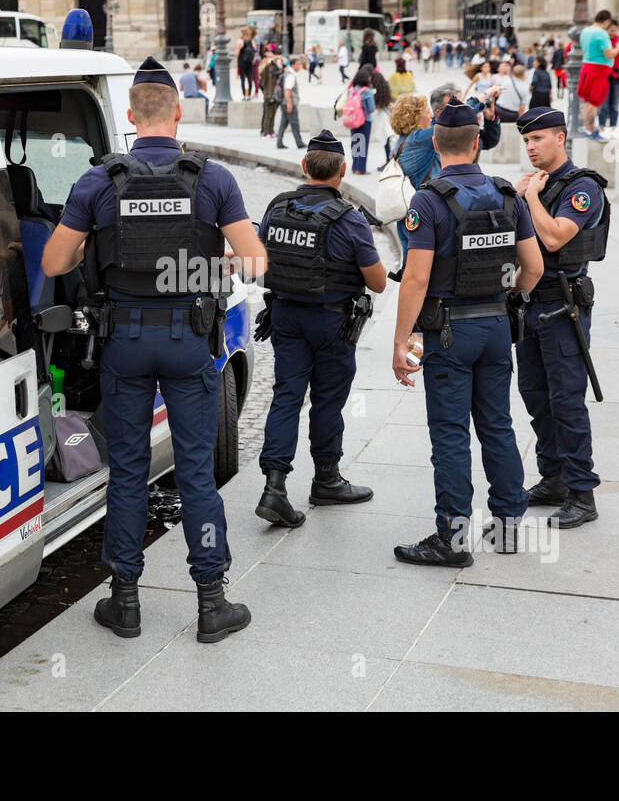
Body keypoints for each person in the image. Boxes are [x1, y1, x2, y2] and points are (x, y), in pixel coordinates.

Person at [40, 57, 266, 643]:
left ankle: (125, 602)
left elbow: (53, 263)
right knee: (194, 472)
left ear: (129, 117)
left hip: (125, 343)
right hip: (190, 341)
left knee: (129, 472)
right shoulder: (211, 178)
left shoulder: (99, 181)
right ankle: (212, 602)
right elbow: (252, 259)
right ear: (178, 112)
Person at [390, 99, 544, 565]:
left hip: (450, 333)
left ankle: (453, 539)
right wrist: (503, 296)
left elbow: (415, 279)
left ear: (435, 144)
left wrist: (401, 340)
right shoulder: (505, 194)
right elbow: (533, 268)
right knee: (498, 425)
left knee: (452, 434)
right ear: (478, 142)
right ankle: (509, 526)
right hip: (496, 325)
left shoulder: (429, 200)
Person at [254, 130, 387, 526]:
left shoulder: (277, 207)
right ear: (342, 171)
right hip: (332, 321)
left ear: (304, 167)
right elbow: (378, 282)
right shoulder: (348, 218)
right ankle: (326, 479)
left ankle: (274, 486)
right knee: (327, 400)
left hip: (285, 317)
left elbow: (260, 258)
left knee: (286, 396)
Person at [512, 108, 608, 527]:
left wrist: (529, 198)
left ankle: (582, 493)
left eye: (538, 139)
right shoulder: (534, 184)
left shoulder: (582, 187)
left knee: (567, 400)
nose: (531, 147)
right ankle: (553, 478)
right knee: (535, 395)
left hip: (563, 306)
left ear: (560, 139)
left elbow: (553, 236)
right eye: (527, 141)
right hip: (530, 304)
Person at [388, 85, 504, 259]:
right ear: (413, 117)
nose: (431, 115)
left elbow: (482, 137)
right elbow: (453, 119)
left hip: (414, 211)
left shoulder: (408, 140)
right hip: (425, 210)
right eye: (426, 111)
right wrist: (482, 98)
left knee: (411, 263)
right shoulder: (418, 140)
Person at [577, 9, 619, 141]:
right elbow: (609, 54)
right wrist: (618, 48)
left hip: (586, 67)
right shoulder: (601, 33)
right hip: (599, 70)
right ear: (607, 21)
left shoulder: (585, 31)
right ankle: (592, 131)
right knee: (594, 102)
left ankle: (587, 129)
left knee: (587, 102)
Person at [344, 64, 377, 174]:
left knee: (355, 143)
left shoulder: (351, 90)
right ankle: (361, 169)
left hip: (352, 120)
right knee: (363, 144)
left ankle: (354, 167)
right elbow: (372, 108)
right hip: (364, 121)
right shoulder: (367, 91)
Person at [597, 19, 619, 134]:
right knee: (603, 104)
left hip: (617, 76)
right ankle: (601, 126)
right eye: (611, 30)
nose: (613, 33)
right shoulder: (602, 40)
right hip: (604, 75)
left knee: (615, 104)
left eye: (615, 30)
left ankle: (613, 127)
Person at [275, 54, 305, 150]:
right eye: (297, 64)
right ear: (292, 65)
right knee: (295, 123)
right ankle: (299, 143)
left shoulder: (287, 74)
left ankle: (279, 142)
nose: (299, 67)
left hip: (284, 103)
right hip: (288, 103)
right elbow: (287, 90)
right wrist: (289, 103)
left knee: (283, 123)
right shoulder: (290, 76)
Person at [370, 66, 395, 168]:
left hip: (383, 117)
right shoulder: (386, 87)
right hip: (388, 114)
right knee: (388, 140)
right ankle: (389, 161)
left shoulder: (375, 91)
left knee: (386, 141)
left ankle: (388, 162)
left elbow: (377, 106)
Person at [259, 52, 281, 137]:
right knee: (268, 115)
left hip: (272, 95)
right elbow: (262, 84)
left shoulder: (274, 72)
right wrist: (265, 92)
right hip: (268, 95)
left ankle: (270, 131)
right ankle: (266, 132)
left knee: (271, 114)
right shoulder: (267, 70)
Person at [237, 28, 257, 99]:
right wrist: (253, 60)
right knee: (249, 79)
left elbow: (237, 54)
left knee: (243, 79)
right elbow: (255, 52)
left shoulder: (240, 41)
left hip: (241, 62)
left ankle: (244, 95)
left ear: (243, 33)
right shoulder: (253, 42)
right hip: (250, 62)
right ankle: (249, 95)